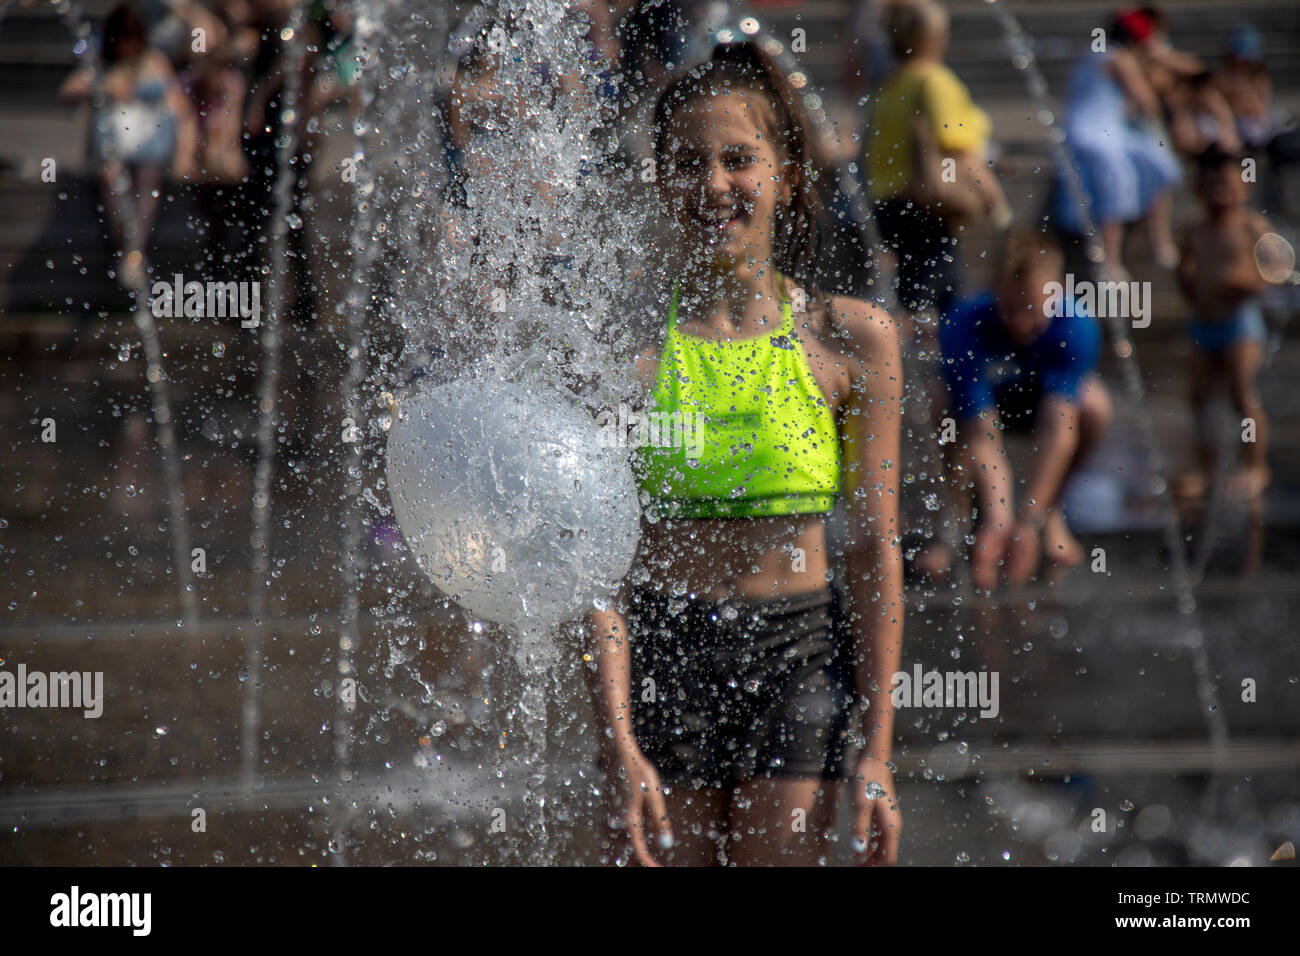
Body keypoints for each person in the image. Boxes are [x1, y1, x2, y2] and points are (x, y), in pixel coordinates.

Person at [584, 41, 904, 867]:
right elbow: (596, 572)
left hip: (799, 657)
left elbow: (873, 546)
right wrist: (618, 744)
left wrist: (877, 751)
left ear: (787, 175)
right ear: (659, 182)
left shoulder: (851, 340)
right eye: (687, 164)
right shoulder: (627, 359)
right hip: (664, 653)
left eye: (738, 160)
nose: (713, 185)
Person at [924, 228, 1112, 589]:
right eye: (1010, 309)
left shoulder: (1076, 325)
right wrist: (999, 518)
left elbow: (1059, 428)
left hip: (1042, 407)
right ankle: (956, 522)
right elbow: (982, 432)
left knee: (1095, 406)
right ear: (995, 288)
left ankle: (1049, 511)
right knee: (939, 399)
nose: (1021, 323)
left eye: (1032, 309)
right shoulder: (965, 322)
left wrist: (1025, 520)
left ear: (1056, 292)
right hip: (988, 411)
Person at [866, 0, 1010, 319]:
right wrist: (995, 200)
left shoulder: (890, 83)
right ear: (933, 37)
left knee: (915, 304)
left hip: (889, 207)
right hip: (926, 207)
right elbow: (958, 149)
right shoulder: (934, 81)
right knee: (943, 305)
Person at [59, 2, 197, 288]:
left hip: (150, 147)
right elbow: (68, 91)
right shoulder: (100, 62)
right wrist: (103, 86)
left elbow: (179, 106)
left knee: (148, 180)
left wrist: (185, 152)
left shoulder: (153, 61)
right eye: (124, 41)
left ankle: (133, 253)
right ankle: (128, 250)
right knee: (113, 178)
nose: (129, 48)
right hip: (113, 149)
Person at [1175, 146, 1278, 502]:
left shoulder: (1252, 225)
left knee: (1242, 394)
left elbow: (1278, 268)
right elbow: (1183, 269)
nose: (1220, 193)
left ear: (1243, 189)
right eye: (1212, 186)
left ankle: (1255, 466)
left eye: (1227, 185)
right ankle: (1207, 470)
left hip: (1240, 324)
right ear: (1198, 190)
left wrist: (1249, 285)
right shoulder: (1195, 229)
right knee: (1199, 397)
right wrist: (1190, 287)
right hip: (1204, 323)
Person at [1053, 7, 1181, 274]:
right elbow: (1147, 102)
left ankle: (1151, 242)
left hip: (1080, 134)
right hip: (1100, 135)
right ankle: (1118, 258)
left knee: (1150, 163)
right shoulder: (1120, 58)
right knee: (1128, 174)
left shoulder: (1089, 54)